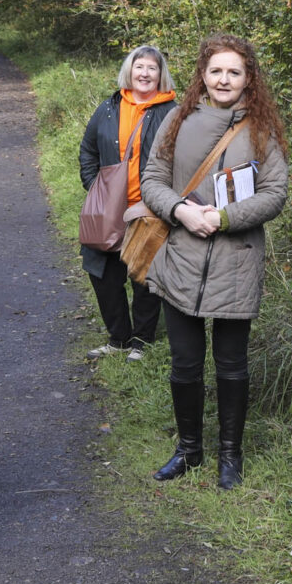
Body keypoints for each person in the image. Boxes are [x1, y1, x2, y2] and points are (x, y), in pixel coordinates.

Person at [138, 35, 288, 489]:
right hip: (180, 258)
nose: (224, 79)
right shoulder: (178, 120)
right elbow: (153, 178)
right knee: (184, 362)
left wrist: (223, 218)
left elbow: (275, 193)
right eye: (216, 70)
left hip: (235, 263)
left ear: (249, 79)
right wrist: (181, 211)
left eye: (234, 72)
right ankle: (188, 450)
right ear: (203, 75)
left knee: (231, 363)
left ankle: (230, 456)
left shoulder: (261, 130)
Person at [78, 46, 177, 361]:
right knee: (103, 276)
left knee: (143, 277)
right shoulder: (109, 107)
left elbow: (185, 160)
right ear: (129, 71)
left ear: (160, 75)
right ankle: (118, 338)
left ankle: (142, 341)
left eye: (152, 68)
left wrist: (165, 200)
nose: (145, 73)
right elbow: (88, 148)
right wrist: (95, 187)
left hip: (148, 210)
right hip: (109, 210)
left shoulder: (172, 112)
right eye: (140, 67)